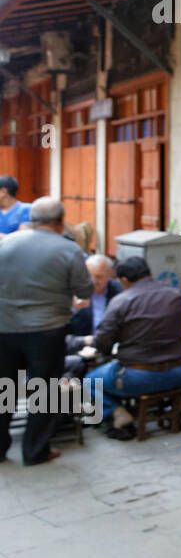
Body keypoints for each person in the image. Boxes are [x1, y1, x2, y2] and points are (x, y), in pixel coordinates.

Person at [0, 197, 93, 464]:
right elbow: (84, 290)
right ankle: (35, 451)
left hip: (4, 328)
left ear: (32, 219)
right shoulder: (68, 250)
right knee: (44, 391)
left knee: (4, 387)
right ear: (61, 222)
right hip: (46, 331)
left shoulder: (6, 243)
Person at [84, 256, 181, 439]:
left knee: (88, 382)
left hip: (138, 377)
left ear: (124, 280)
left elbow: (103, 343)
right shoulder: (177, 294)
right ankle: (178, 404)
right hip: (180, 373)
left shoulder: (122, 301)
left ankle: (117, 413)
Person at [63, 254, 122, 378]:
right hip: (79, 346)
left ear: (109, 274)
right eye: (90, 276)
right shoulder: (73, 290)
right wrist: (73, 308)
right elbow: (59, 325)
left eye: (99, 277)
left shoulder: (118, 290)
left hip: (109, 345)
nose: (94, 281)